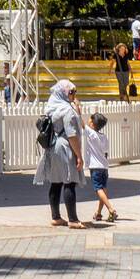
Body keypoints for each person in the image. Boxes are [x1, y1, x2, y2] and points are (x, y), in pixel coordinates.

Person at [34, 79, 85, 227]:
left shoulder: (51, 107)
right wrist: (79, 156)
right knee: (69, 182)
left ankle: (56, 217)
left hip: (52, 147)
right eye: (71, 92)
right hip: (64, 147)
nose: (74, 95)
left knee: (56, 182)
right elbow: (72, 135)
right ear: (63, 93)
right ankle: (73, 219)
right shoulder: (67, 110)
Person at [84, 111, 117, 222]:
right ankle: (98, 213)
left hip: (95, 167)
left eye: (90, 119)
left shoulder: (91, 133)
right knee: (103, 190)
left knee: (98, 189)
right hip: (104, 167)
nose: (88, 120)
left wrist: (77, 107)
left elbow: (80, 122)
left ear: (93, 124)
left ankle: (111, 209)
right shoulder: (104, 137)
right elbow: (106, 153)